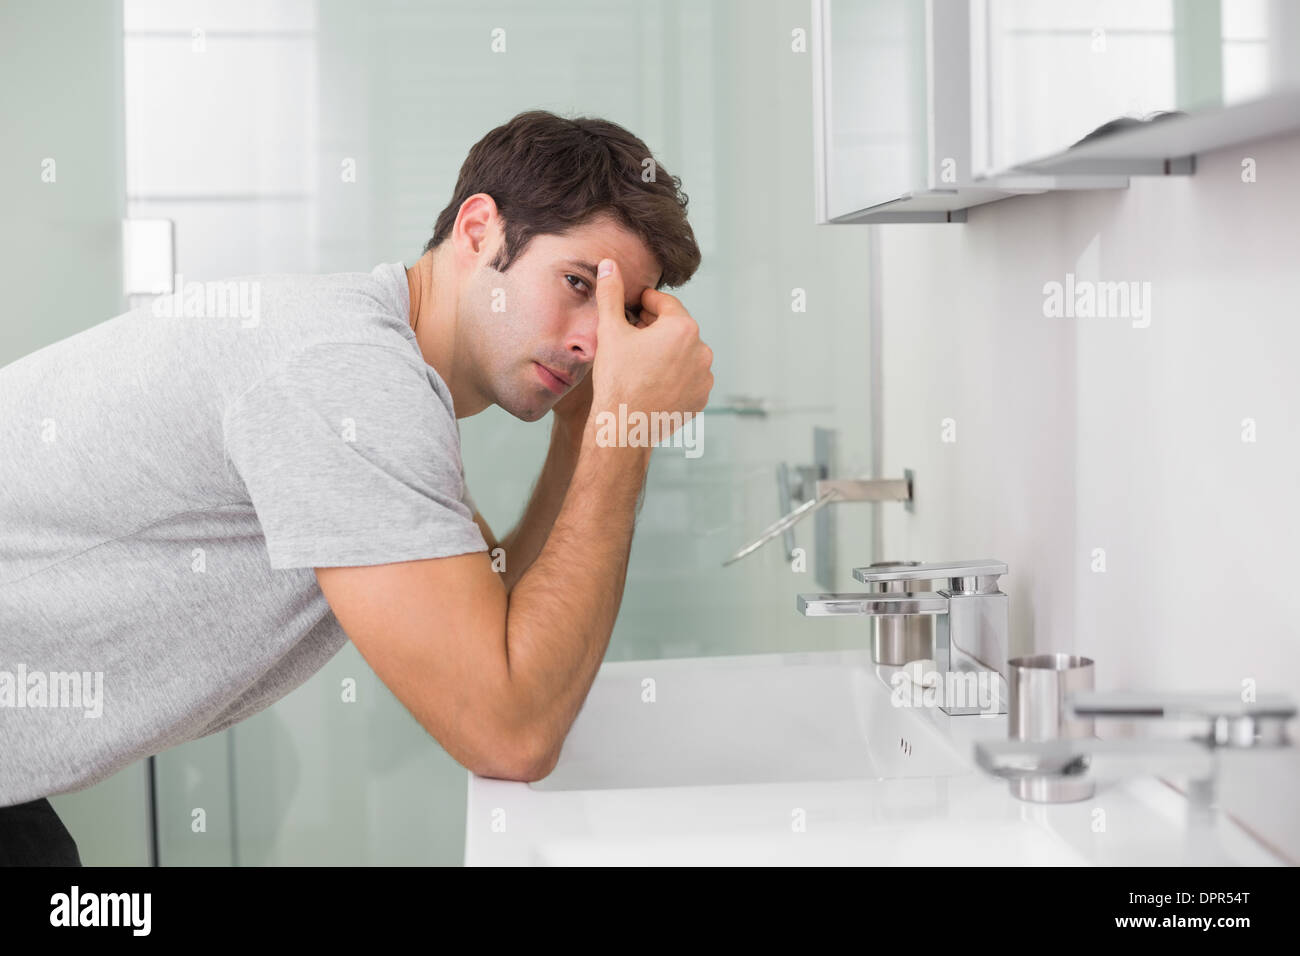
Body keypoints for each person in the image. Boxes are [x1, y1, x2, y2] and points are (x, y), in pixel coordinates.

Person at [0, 109, 713, 865]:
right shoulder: (345, 373)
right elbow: (510, 730)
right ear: (478, 231)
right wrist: (621, 434)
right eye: (577, 284)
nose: (591, 340)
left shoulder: (370, 362)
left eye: (621, 314)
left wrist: (586, 427)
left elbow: (501, 616)